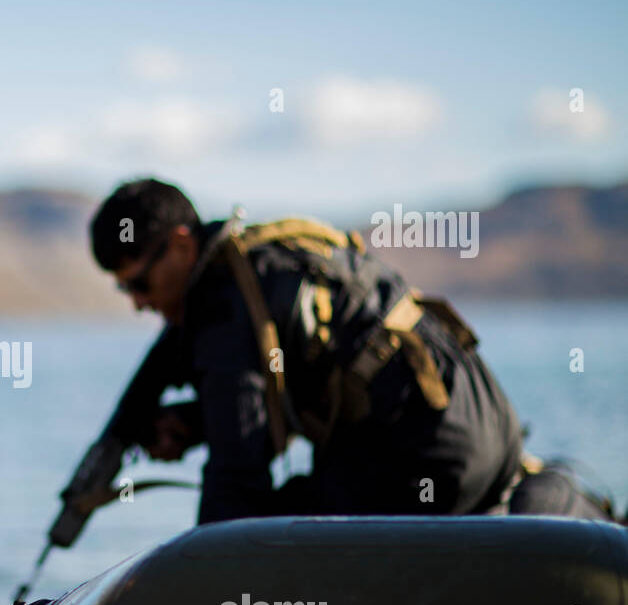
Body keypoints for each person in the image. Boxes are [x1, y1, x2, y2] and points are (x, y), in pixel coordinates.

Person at [88, 178, 615, 524]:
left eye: (139, 284)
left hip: (431, 464)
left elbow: (236, 484)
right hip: (486, 434)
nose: (138, 304)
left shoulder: (225, 311)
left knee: (280, 517)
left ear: (182, 246)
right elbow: (303, 391)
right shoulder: (262, 263)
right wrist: (197, 423)